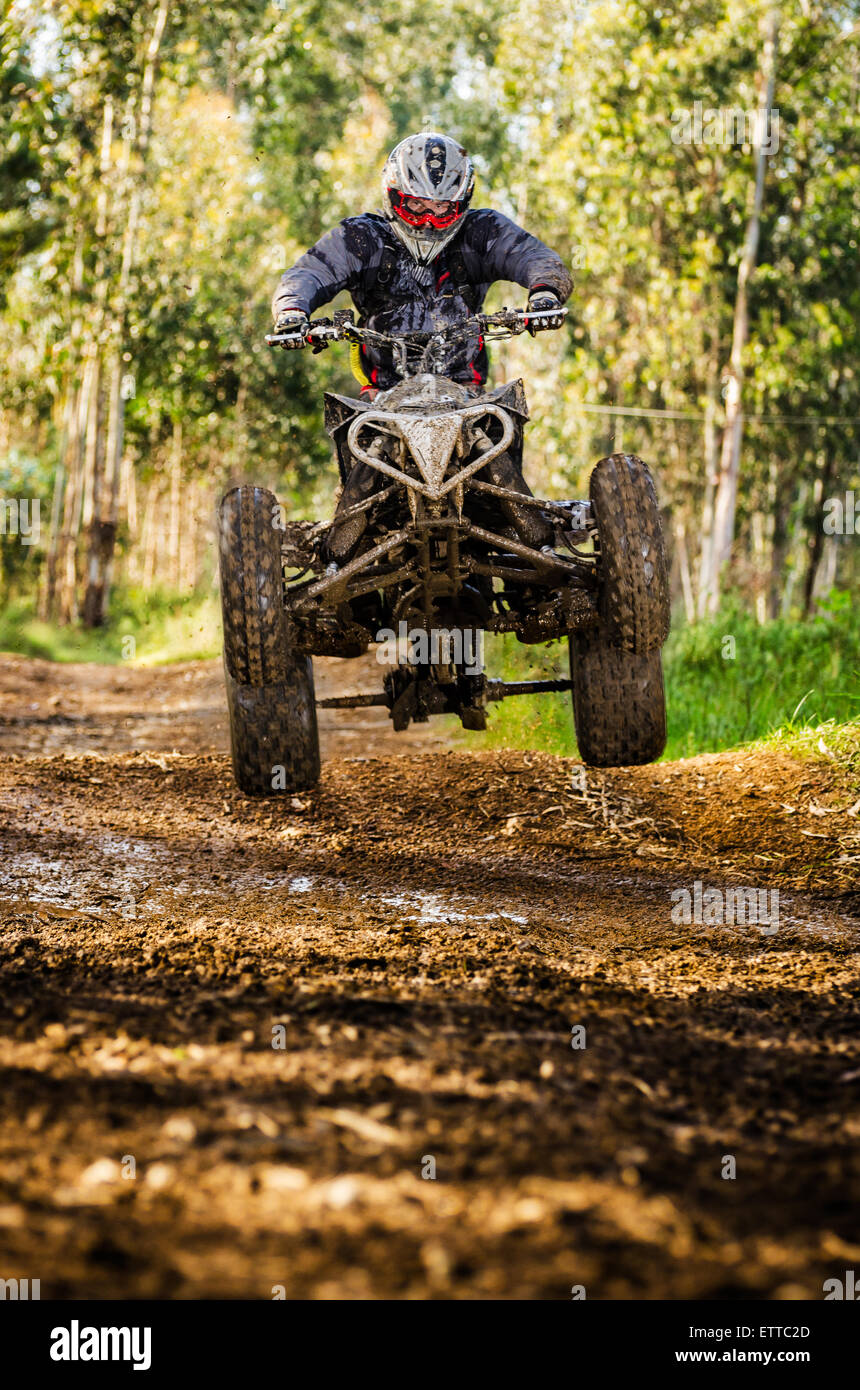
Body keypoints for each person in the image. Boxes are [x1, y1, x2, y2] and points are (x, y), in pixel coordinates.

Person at [271, 131, 573, 555]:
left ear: (462, 202)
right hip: (382, 399)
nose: (430, 221)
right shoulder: (362, 237)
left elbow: (535, 258)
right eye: (417, 206)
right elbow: (307, 274)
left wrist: (544, 292)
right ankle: (341, 560)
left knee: (500, 425)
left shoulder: (481, 231)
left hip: (466, 397)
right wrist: (292, 313)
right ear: (394, 196)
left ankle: (541, 556)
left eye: (443, 208)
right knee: (359, 442)